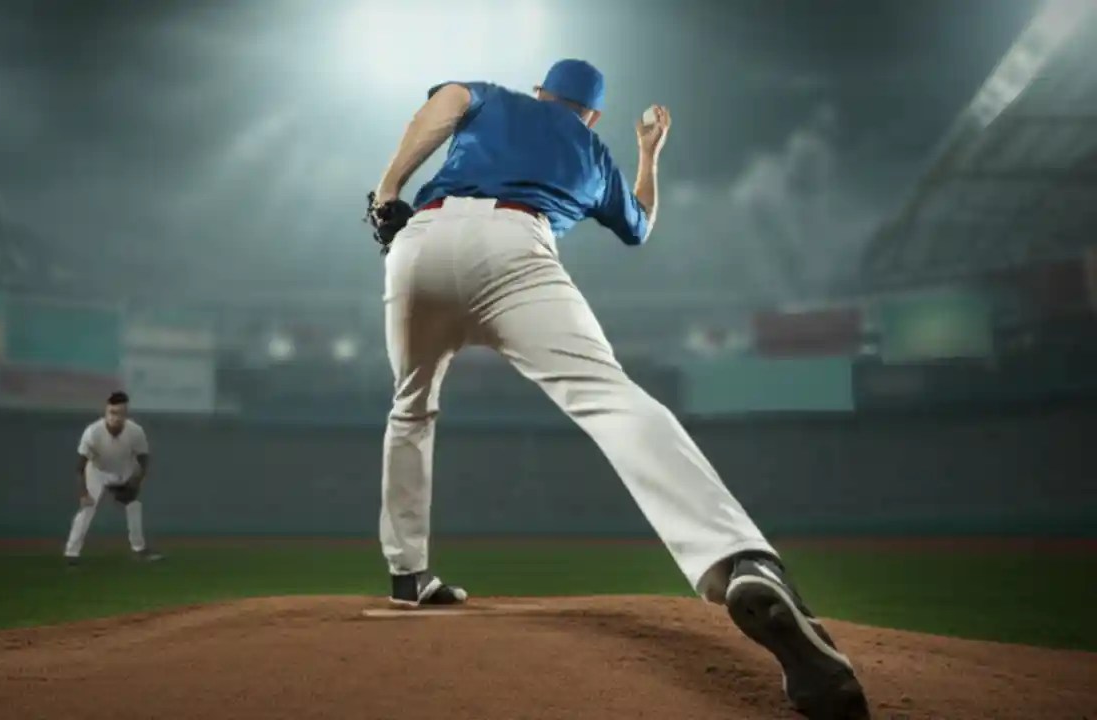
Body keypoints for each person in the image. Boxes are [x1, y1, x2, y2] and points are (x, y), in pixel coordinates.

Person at [368, 59, 868, 718]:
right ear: (593, 114)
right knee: (611, 398)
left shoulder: (491, 97)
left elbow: (448, 101)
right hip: (515, 249)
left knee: (411, 408)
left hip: (422, 241)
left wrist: (388, 192)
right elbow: (640, 225)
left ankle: (408, 573)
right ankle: (741, 560)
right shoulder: (595, 153)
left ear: (541, 91)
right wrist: (648, 154)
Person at [63, 391, 162, 564]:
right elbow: (80, 467)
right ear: (106, 412)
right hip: (97, 472)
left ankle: (139, 549)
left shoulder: (135, 431)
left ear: (126, 415)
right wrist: (83, 493)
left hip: (124, 471)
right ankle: (71, 553)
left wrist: (135, 483)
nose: (116, 417)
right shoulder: (93, 432)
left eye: (120, 413)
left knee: (134, 506)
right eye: (112, 412)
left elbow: (144, 460)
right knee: (87, 509)